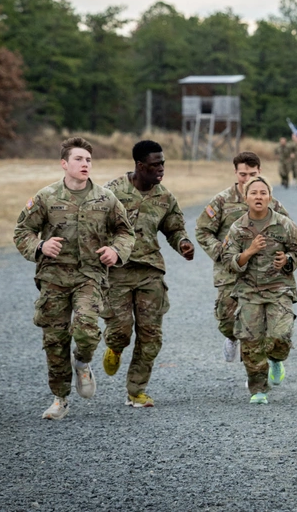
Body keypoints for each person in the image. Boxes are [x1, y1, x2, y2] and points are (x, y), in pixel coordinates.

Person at [14, 137, 135, 420]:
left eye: (88, 160)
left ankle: (82, 362)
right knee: (54, 340)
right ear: (64, 164)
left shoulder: (106, 198)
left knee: (86, 330)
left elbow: (125, 232)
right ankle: (60, 398)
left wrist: (116, 251)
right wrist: (40, 246)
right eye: (79, 159)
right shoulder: (46, 197)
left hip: (89, 276)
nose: (85, 164)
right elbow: (22, 231)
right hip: (53, 277)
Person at [102, 140, 195, 408]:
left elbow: (174, 229)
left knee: (151, 335)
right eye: (156, 165)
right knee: (120, 331)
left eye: (163, 163)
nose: (161, 169)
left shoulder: (165, 197)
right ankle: (115, 346)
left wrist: (183, 244)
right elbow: (93, 226)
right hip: (117, 271)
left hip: (150, 272)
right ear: (140, 166)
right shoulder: (112, 193)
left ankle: (136, 390)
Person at [195, 152, 290, 365]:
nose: (247, 179)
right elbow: (202, 231)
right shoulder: (222, 201)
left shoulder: (270, 201)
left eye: (252, 174)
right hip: (230, 272)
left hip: (262, 274)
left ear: (260, 172)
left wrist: (282, 257)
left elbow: (287, 231)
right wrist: (222, 253)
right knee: (227, 321)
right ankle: (231, 338)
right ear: (235, 173)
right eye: (242, 174)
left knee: (259, 324)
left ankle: (262, 367)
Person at [223, 176, 297, 404]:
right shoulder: (238, 228)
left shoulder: (283, 224)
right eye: (254, 193)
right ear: (246, 198)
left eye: (263, 193)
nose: (258, 197)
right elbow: (228, 260)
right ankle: (258, 389)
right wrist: (249, 251)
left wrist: (287, 260)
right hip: (248, 291)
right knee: (250, 341)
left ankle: (276, 359)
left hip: (279, 289)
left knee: (280, 335)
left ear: (270, 197)